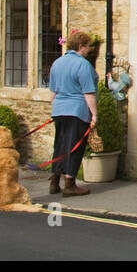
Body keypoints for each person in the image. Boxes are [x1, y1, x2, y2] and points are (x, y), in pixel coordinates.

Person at [48, 29, 98, 196]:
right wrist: (94, 114)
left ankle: (54, 181)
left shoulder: (57, 63)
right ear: (80, 46)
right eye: (87, 47)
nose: (88, 50)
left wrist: (54, 108)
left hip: (59, 110)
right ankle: (70, 184)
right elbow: (88, 93)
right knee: (75, 147)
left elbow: (52, 92)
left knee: (60, 145)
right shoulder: (83, 65)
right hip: (77, 110)